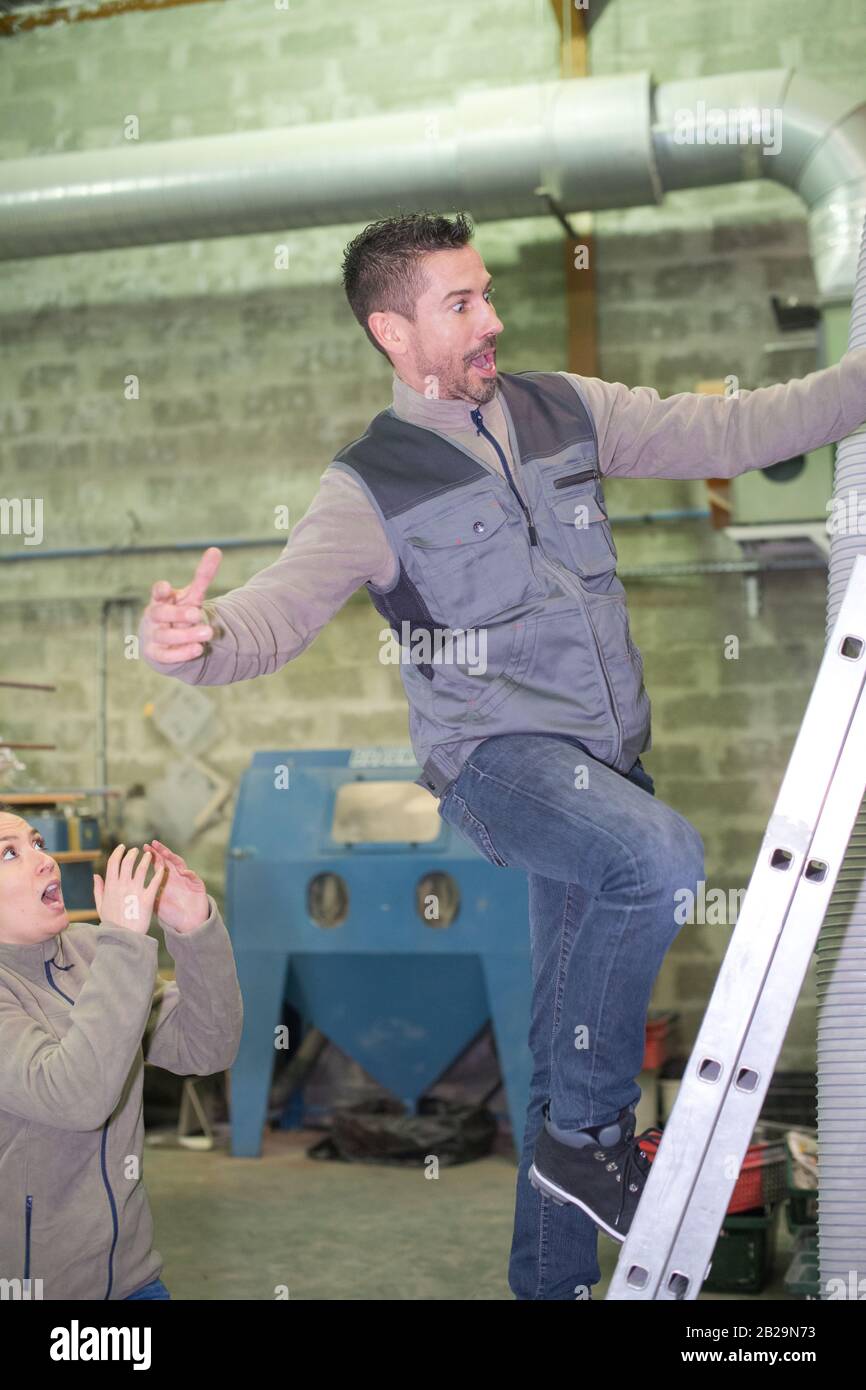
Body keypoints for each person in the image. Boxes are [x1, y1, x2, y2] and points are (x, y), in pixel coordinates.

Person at [139, 210, 866, 1300]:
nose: (491, 319)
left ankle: (549, 1276)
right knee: (658, 860)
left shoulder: (560, 407)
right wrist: (192, 645)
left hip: (605, 770)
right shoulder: (368, 485)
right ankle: (590, 1129)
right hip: (498, 764)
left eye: (486, 293)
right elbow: (272, 617)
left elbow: (727, 431)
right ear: (391, 331)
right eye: (460, 303)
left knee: (561, 1019)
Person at [0, 812, 243, 1300]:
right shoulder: (111, 955)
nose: (45, 860)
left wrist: (193, 932)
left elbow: (208, 1046)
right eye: (10, 852)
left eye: (37, 842)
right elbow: (76, 1098)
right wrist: (127, 943)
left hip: (134, 1281)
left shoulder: (95, 954)